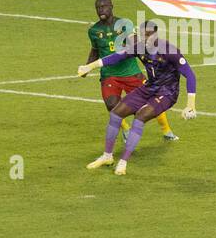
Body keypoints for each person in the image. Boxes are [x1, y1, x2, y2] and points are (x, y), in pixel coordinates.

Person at [78, 20, 197, 176]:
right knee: (116, 113)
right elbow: (116, 57)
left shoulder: (169, 50)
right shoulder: (139, 47)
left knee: (140, 117)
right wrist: (90, 66)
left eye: (148, 35)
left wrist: (190, 104)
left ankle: (123, 161)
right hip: (150, 87)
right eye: (143, 35)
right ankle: (107, 156)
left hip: (167, 92)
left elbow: (190, 75)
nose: (145, 38)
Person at [84, 0, 177, 149]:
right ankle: (126, 130)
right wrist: (87, 67)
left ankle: (167, 131)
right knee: (111, 104)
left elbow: (136, 44)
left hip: (131, 72)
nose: (101, 10)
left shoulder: (125, 24)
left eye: (104, 6)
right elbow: (95, 50)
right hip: (110, 74)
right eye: (98, 7)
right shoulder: (94, 31)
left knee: (153, 102)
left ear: (111, 6)